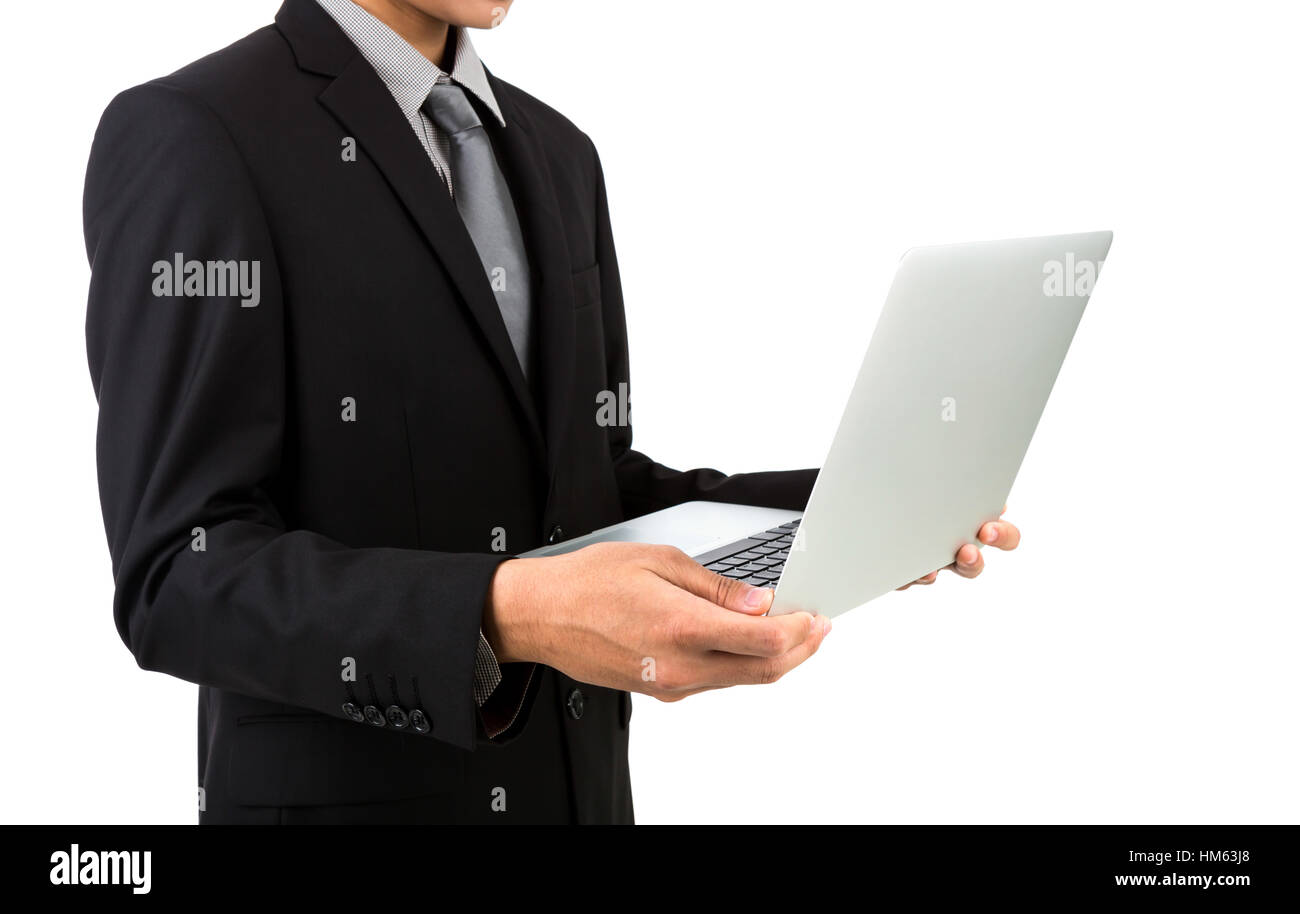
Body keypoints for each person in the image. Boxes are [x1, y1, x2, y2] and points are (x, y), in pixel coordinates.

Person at [83, 0, 1021, 824]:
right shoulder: (196, 132)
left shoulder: (558, 152)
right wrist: (508, 614)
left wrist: (844, 510)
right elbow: (178, 574)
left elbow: (587, 480)